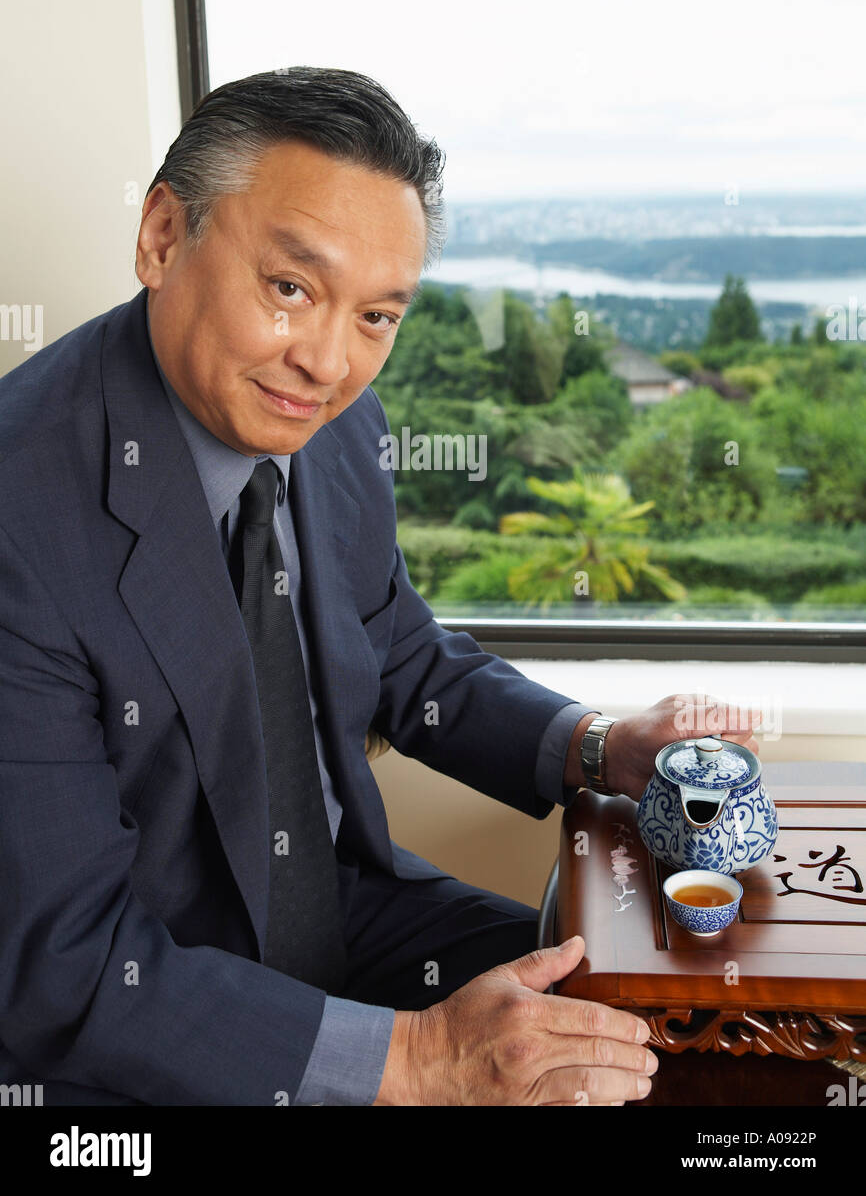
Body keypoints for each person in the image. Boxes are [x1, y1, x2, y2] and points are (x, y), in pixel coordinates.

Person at [0, 67, 759, 1106]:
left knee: (678, 1029)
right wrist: (417, 1060)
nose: (326, 361)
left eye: (377, 316)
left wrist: (596, 748)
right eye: (290, 289)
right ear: (164, 236)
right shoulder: (20, 512)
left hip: (343, 911)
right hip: (153, 1004)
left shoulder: (338, 422)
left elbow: (395, 652)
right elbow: (67, 966)